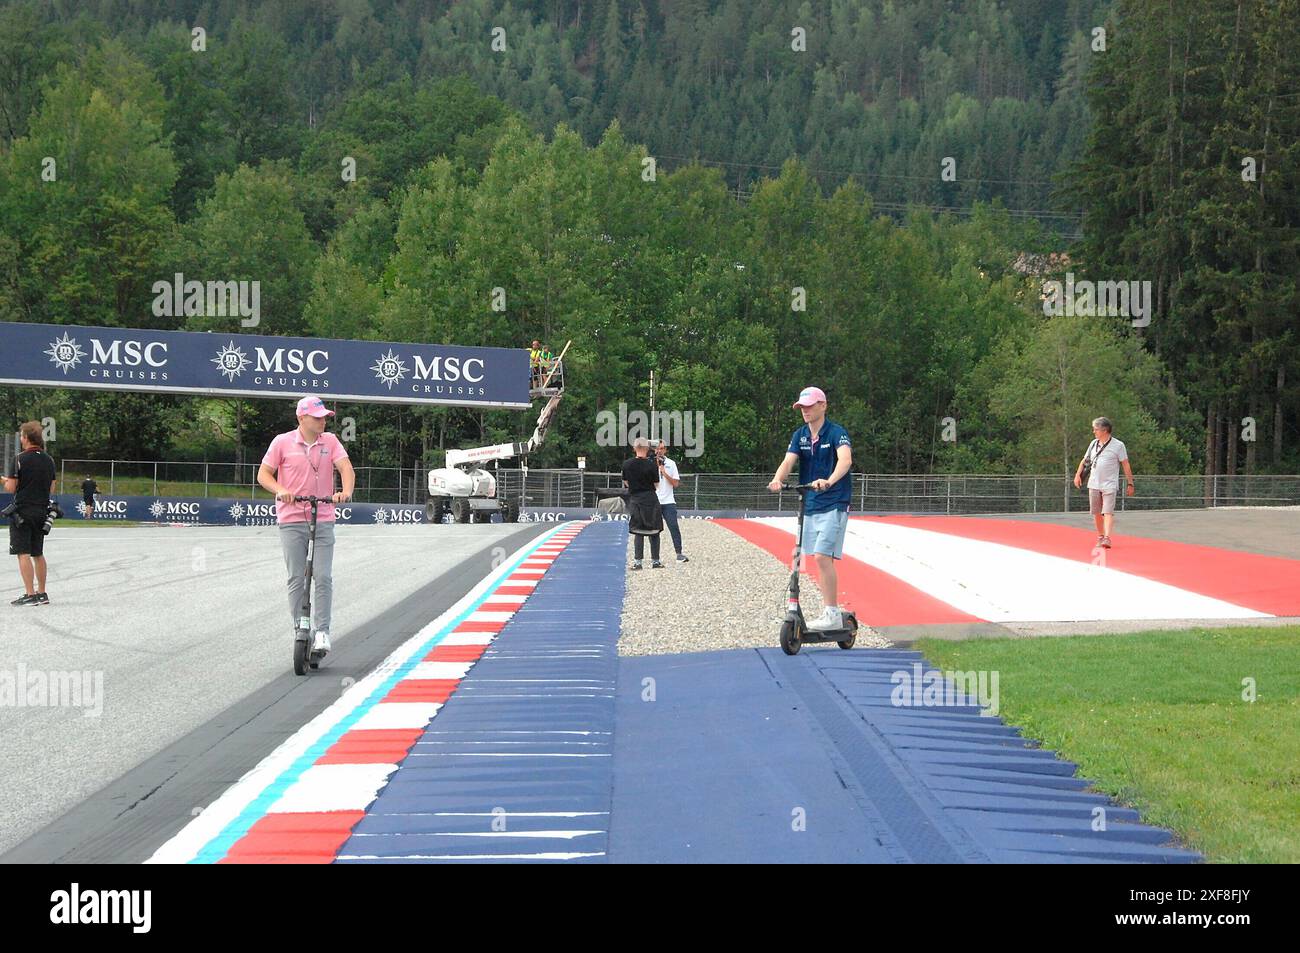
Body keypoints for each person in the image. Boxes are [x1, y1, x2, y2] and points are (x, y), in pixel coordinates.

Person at [257, 396, 356, 655]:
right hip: (291, 518)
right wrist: (280, 489)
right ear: (302, 418)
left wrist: (344, 492)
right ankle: (301, 627)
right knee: (297, 577)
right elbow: (263, 474)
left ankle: (322, 631)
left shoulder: (330, 442)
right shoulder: (282, 442)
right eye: (318, 417)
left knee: (322, 575)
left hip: (322, 516)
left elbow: (345, 468)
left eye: (325, 417)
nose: (323, 421)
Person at [767, 386, 854, 630]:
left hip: (834, 500)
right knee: (806, 557)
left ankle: (832, 613)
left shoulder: (836, 433)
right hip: (810, 502)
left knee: (822, 556)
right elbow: (788, 461)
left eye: (809, 406)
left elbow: (845, 460)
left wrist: (829, 480)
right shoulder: (800, 435)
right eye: (802, 407)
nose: (805, 411)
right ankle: (808, 609)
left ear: (822, 405)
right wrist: (777, 479)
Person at [5, 421, 57, 606]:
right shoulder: (49, 460)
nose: (20, 439)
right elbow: (51, 487)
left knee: (23, 552)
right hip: (41, 511)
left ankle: (29, 594)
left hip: (23, 511)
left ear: (26, 438)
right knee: (38, 553)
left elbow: (11, 487)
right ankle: (42, 593)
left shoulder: (19, 459)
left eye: (21, 436)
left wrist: (4, 480)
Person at [1073, 416, 1134, 549]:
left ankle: (1107, 538)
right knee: (1096, 512)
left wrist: (1130, 483)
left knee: (1107, 511)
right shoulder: (1093, 443)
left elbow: (1126, 464)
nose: (1094, 432)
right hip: (1094, 483)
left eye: (1096, 429)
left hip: (1109, 484)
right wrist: (1077, 475)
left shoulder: (1118, 445)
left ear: (1105, 430)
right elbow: (1085, 460)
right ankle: (1100, 536)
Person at [622, 437, 663, 569]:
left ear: (634, 448)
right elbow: (656, 484)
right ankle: (655, 561)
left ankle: (638, 562)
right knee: (654, 530)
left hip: (635, 499)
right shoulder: (652, 465)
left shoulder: (627, 464)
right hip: (650, 499)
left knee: (638, 530)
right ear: (647, 448)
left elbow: (626, 482)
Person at [654, 440, 689, 562]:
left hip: (669, 502)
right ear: (654, 450)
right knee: (654, 530)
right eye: (658, 448)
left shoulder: (671, 463)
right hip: (655, 502)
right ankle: (655, 558)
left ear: (665, 450)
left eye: (662, 448)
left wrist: (664, 472)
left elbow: (675, 483)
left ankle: (679, 553)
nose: (660, 450)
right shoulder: (649, 463)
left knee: (674, 527)